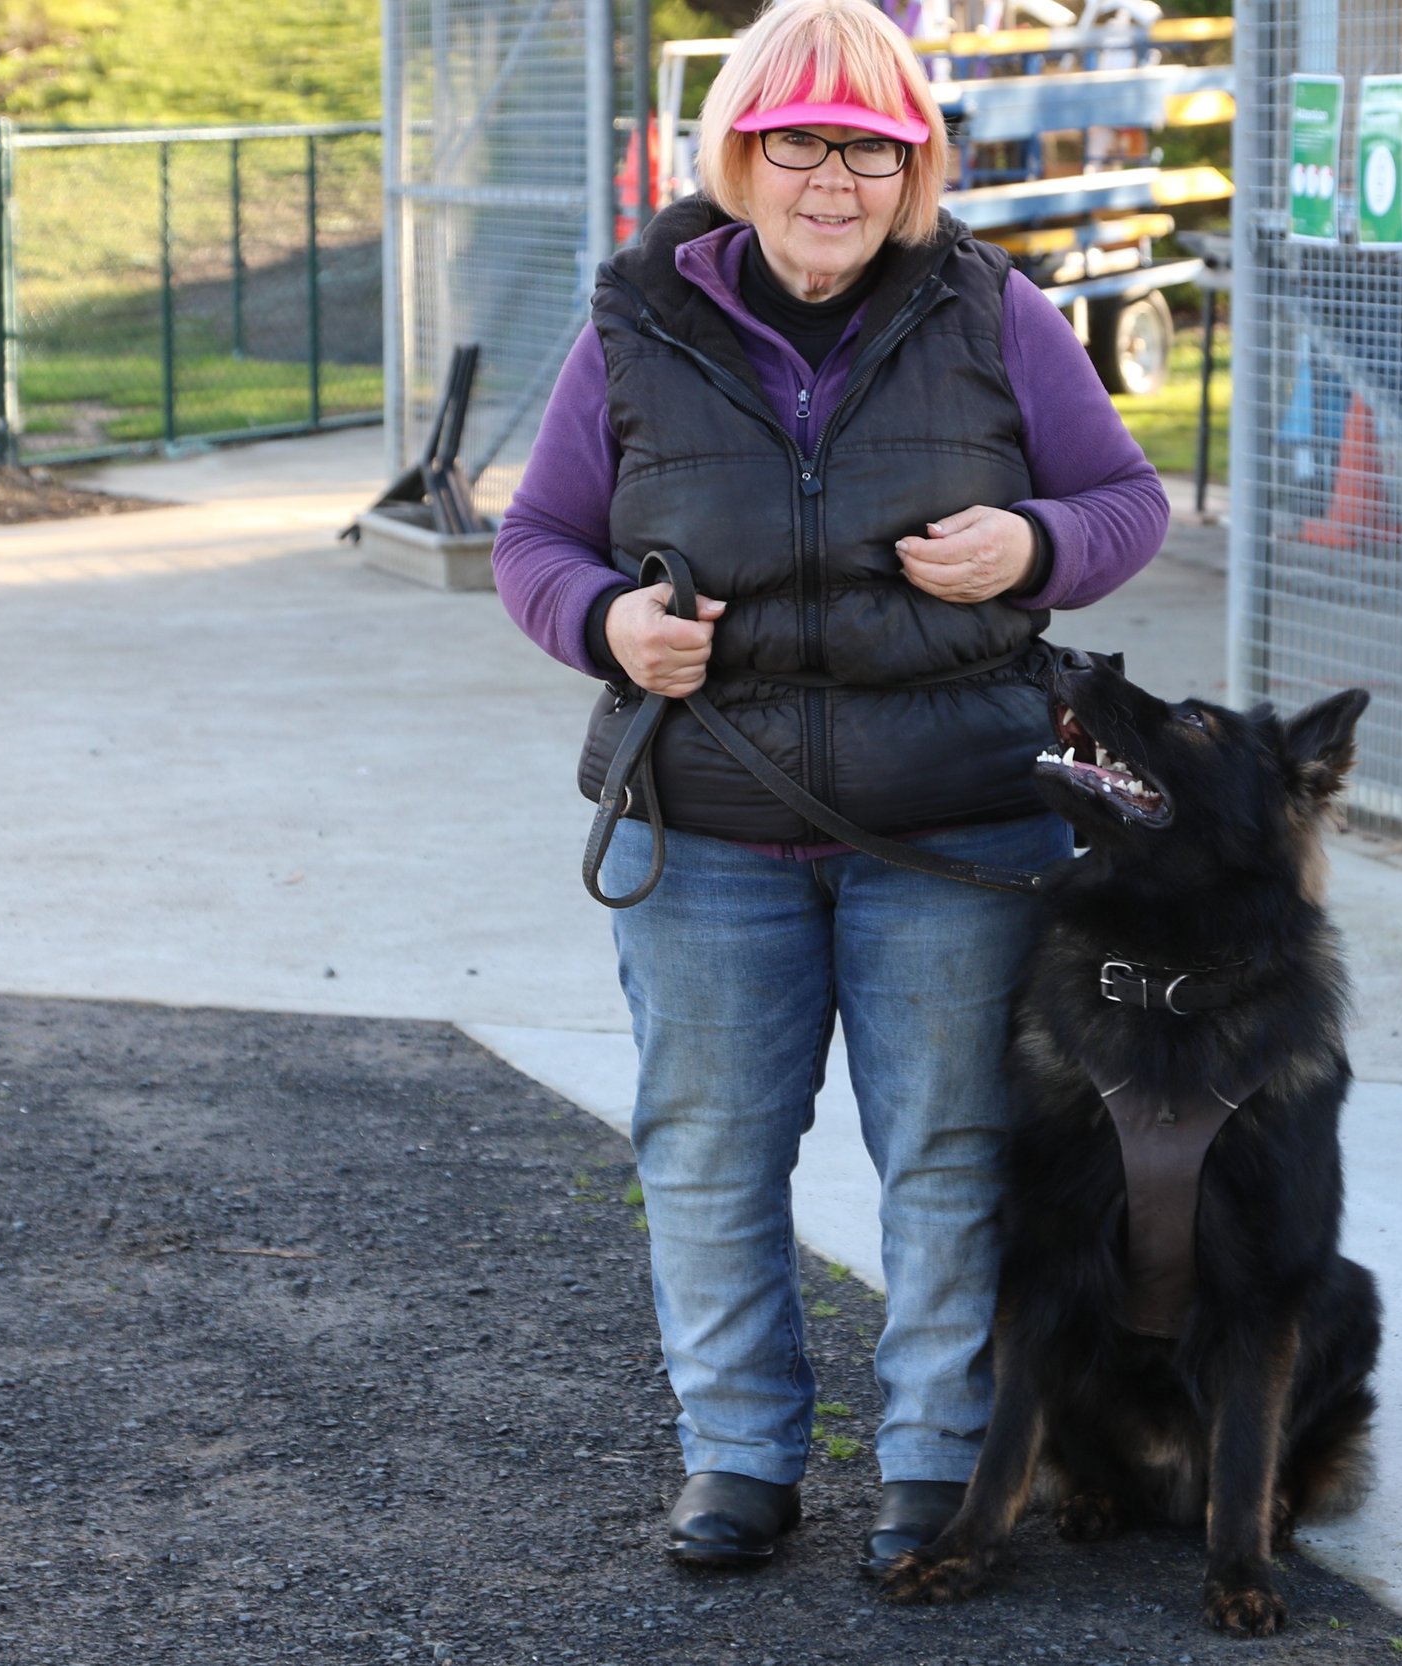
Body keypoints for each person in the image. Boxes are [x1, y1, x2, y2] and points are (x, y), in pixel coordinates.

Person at [491, 0, 1167, 1574]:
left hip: (954, 830)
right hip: (707, 829)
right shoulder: (633, 329)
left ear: (913, 165)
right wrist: (607, 623)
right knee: (711, 1146)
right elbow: (535, 545)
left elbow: (1124, 499)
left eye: (871, 147)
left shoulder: (997, 312)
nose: (833, 180)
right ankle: (738, 1457)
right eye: (799, 142)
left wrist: (1039, 545)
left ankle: (934, 1462)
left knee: (946, 1145)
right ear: (738, 152)